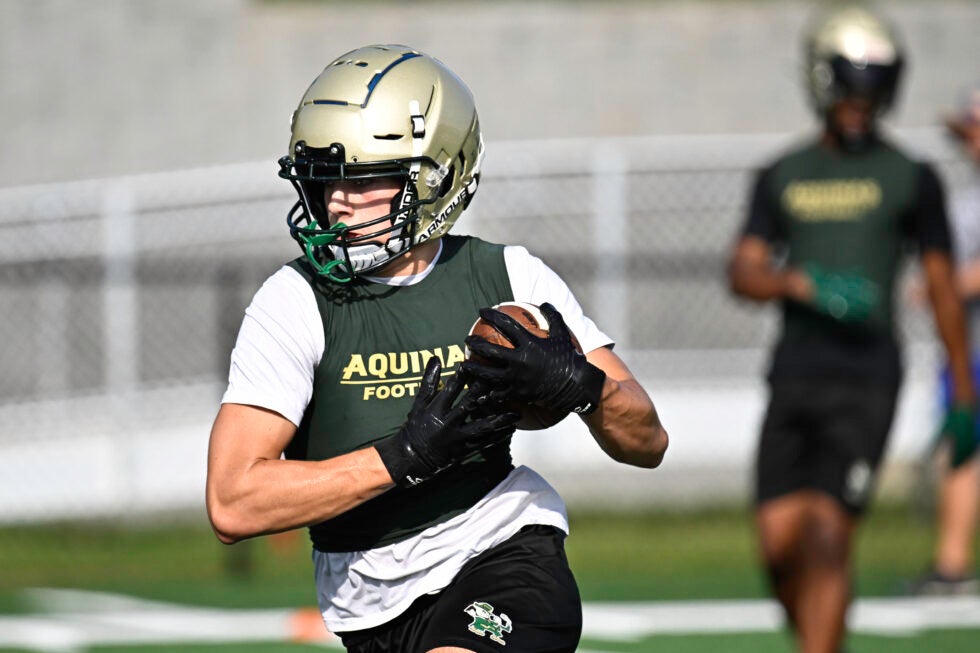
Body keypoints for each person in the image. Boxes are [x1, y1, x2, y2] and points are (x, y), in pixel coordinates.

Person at [205, 44, 668, 653]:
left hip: (502, 547)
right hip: (367, 601)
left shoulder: (510, 279)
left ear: (439, 175)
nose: (338, 202)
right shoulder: (292, 301)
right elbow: (234, 502)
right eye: (325, 180)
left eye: (365, 178)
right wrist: (406, 454)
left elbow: (647, 441)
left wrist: (583, 386)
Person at [727, 6, 974, 653]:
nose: (862, 99)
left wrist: (965, 388)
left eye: (875, 83)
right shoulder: (782, 173)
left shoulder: (912, 177)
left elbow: (944, 285)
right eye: (851, 82)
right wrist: (797, 282)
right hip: (795, 372)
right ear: (822, 79)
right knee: (780, 544)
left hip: (867, 375)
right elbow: (744, 271)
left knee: (830, 535)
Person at [912, 83, 980, 595]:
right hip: (970, 351)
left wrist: (945, 286)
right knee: (961, 450)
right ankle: (951, 562)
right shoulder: (965, 201)